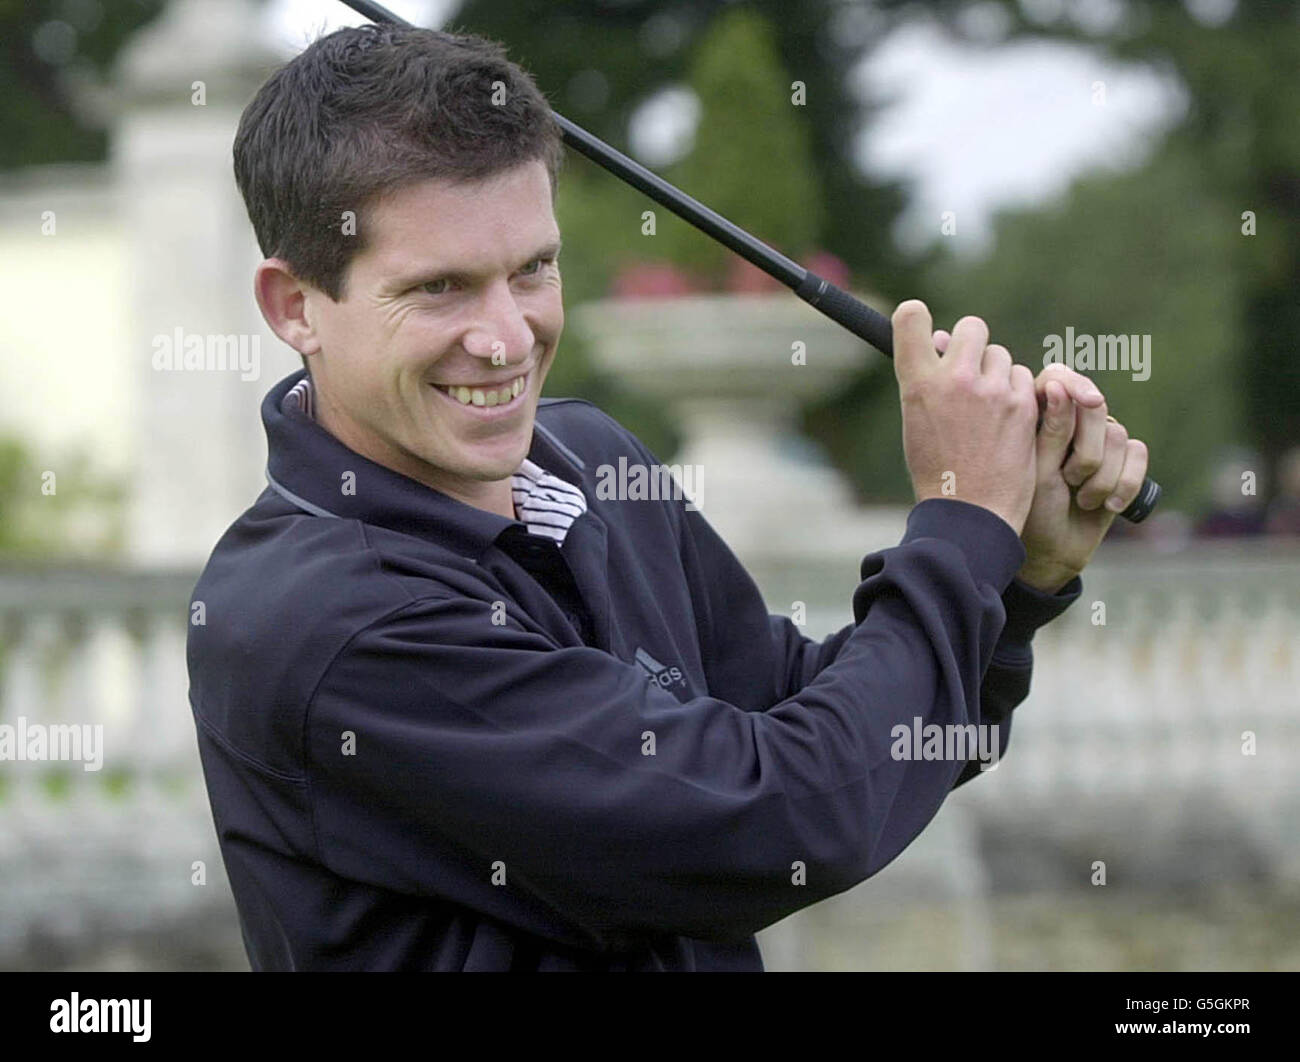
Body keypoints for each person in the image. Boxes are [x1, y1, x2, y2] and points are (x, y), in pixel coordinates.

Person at [186, 23, 1149, 971]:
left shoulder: (591, 462)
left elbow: (839, 725)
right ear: (294, 306)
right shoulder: (329, 624)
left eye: (534, 270)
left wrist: (1017, 574)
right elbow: (785, 816)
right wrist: (960, 520)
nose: (506, 338)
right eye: (439, 288)